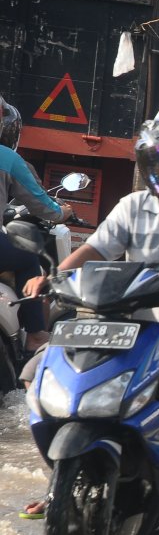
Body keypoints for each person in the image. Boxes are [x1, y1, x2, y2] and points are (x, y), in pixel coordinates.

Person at [20, 115, 159, 530]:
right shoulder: (132, 205)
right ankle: (58, 477)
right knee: (38, 372)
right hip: (123, 320)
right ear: (150, 168)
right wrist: (54, 278)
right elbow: (95, 249)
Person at [0, 112, 67, 356]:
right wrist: (62, 213)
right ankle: (36, 335)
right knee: (28, 257)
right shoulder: (7, 158)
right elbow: (41, 203)